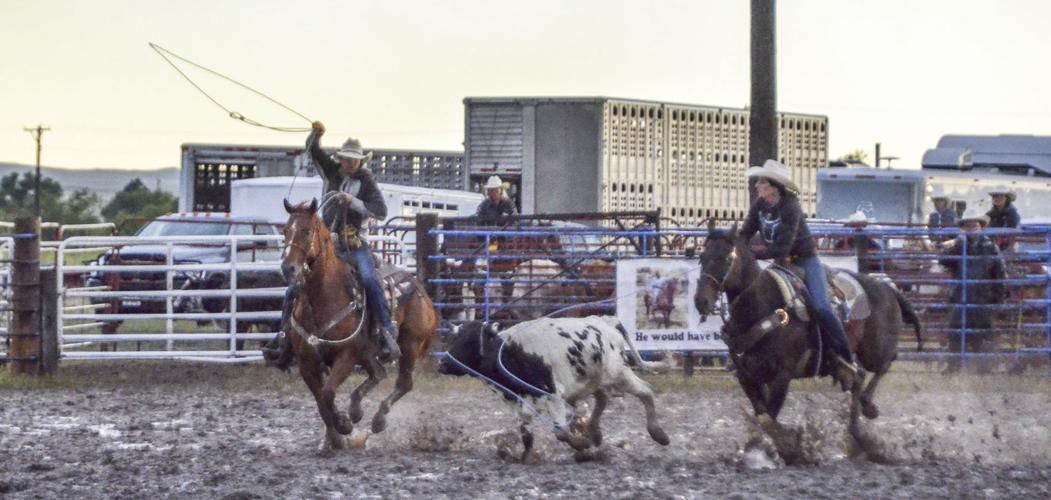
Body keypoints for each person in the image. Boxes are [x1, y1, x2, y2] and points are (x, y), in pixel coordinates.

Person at [264, 121, 401, 366]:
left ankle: (386, 330)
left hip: (356, 244)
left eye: (354, 160)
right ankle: (284, 334)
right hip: (330, 244)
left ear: (361, 161)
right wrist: (316, 135)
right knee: (296, 285)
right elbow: (312, 151)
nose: (349, 163)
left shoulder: (367, 182)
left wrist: (354, 201)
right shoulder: (332, 170)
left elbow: (380, 210)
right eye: (346, 159)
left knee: (370, 280)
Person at [738, 159, 859, 390]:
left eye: (761, 182)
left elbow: (783, 247)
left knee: (821, 306)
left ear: (773, 186)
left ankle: (845, 357)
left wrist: (753, 253)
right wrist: (738, 247)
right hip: (779, 263)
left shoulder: (790, 206)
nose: (757, 186)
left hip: (805, 261)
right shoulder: (760, 206)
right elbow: (745, 232)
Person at [938, 208, 1007, 374]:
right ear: (964, 228)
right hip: (961, 294)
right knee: (955, 330)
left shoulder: (990, 247)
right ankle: (954, 366)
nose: (972, 229)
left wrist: (998, 299)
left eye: (975, 225)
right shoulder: (959, 245)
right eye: (968, 226)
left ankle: (983, 368)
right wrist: (952, 245)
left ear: (981, 227)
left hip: (982, 295)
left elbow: (999, 274)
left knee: (983, 332)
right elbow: (943, 260)